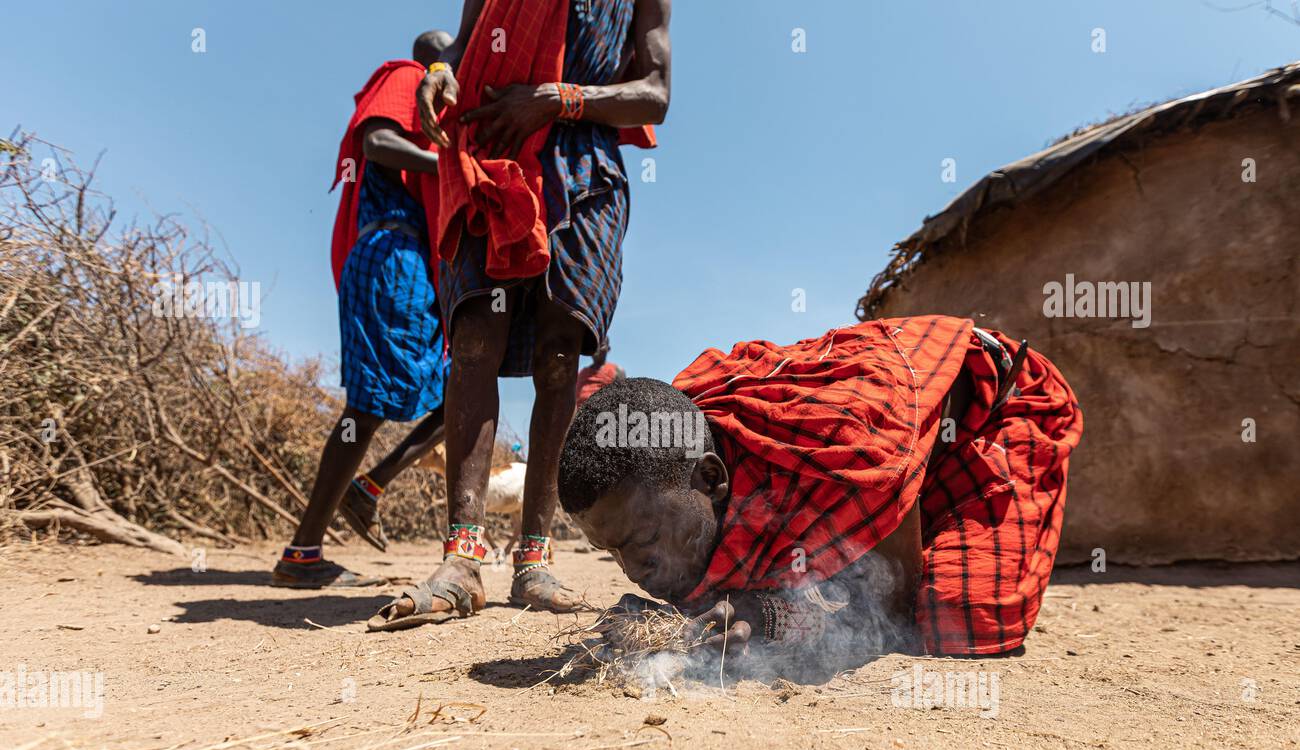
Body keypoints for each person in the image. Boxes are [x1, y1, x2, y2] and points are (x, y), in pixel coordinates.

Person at [368, 0, 671, 630]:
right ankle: (462, 561)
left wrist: (556, 100)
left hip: (581, 169)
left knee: (560, 356)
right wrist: (441, 72)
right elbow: (465, 43)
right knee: (475, 336)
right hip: (491, 152)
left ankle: (534, 560)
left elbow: (654, 95)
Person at [554, 316, 1084, 657]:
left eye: (642, 544)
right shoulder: (671, 453)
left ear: (712, 478)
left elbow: (889, 603)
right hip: (906, 453)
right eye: (612, 551)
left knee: (954, 618)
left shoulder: (845, 451)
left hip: (996, 417)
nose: (632, 570)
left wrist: (779, 618)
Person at [273, 31, 454, 588]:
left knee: (463, 391)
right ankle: (302, 554)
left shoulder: (436, 110)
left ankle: (368, 488)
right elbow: (377, 142)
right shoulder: (406, 77)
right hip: (390, 256)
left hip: (410, 264)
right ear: (437, 61)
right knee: (368, 405)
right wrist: (451, 162)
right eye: (453, 58)